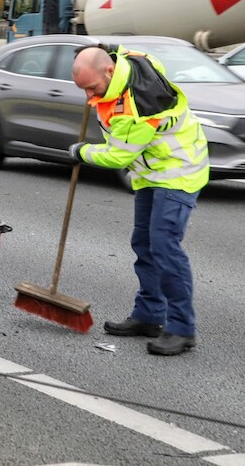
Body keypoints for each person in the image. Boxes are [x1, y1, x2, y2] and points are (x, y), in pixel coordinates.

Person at [69, 44, 208, 356]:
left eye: (92, 88)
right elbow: (124, 53)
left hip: (178, 169)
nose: (90, 98)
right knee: (143, 243)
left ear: (108, 72)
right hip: (150, 171)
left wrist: (80, 151)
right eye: (84, 90)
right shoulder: (128, 63)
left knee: (164, 247)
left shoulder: (135, 104)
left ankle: (182, 328)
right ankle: (149, 315)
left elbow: (118, 156)